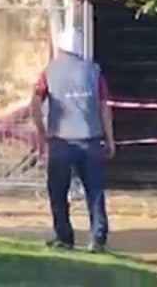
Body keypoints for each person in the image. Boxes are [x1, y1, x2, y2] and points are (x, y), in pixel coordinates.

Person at [31, 26, 115, 253]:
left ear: (60, 46)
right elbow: (104, 108)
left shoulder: (49, 72)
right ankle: (97, 239)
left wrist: (42, 131)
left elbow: (35, 103)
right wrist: (110, 139)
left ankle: (64, 237)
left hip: (61, 141)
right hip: (90, 140)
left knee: (58, 191)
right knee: (94, 191)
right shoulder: (94, 71)